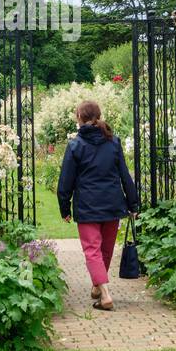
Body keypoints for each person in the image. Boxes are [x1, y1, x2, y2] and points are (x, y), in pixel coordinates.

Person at [56, 100, 137, 311]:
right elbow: (125, 176)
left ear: (79, 118)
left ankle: (106, 295)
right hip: (112, 205)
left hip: (87, 207)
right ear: (98, 116)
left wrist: (65, 208)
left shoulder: (75, 146)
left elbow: (66, 181)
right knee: (105, 250)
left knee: (93, 251)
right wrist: (133, 203)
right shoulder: (113, 142)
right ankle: (97, 286)